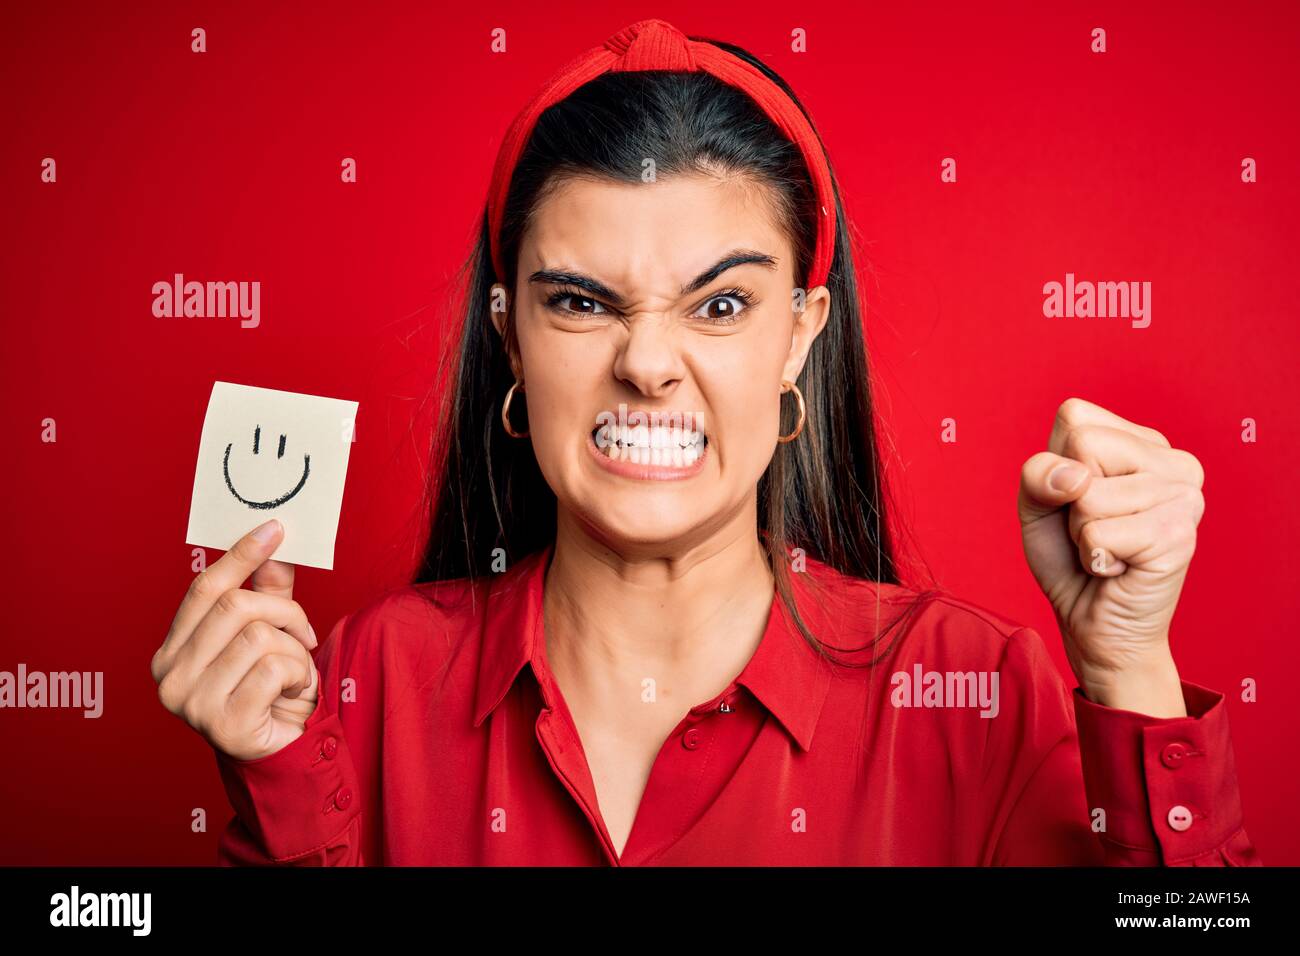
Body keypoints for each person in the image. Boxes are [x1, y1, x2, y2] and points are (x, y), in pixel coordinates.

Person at [151, 19, 1259, 866]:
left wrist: (1127, 668)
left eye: (720, 307)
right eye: (580, 302)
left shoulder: (975, 691)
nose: (645, 362)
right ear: (511, 338)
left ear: (800, 335)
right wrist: (283, 784)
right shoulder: (363, 682)